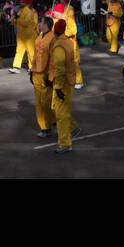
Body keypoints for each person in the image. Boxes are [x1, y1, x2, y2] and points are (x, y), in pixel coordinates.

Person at [47, 18, 78, 153]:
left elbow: (59, 69)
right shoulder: (67, 42)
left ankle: (65, 143)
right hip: (65, 81)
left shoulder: (60, 46)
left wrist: (58, 87)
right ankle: (72, 129)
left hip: (62, 83)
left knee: (61, 114)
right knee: (56, 109)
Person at [29, 16, 55, 138]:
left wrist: (51, 75)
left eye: (42, 22)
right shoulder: (40, 36)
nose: (40, 23)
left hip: (45, 75)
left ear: (46, 25)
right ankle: (45, 128)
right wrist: (31, 70)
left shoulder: (52, 38)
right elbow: (35, 55)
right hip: (36, 73)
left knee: (47, 102)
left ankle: (54, 121)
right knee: (39, 103)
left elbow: (53, 59)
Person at [10, 0, 37, 71]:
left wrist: (18, 18)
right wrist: (12, 19)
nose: (20, 3)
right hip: (21, 35)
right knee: (19, 51)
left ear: (25, 3)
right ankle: (16, 66)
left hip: (29, 35)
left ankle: (32, 67)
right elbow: (15, 22)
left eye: (22, 2)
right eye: (20, 2)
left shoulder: (30, 12)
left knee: (30, 51)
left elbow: (26, 23)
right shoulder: (20, 11)